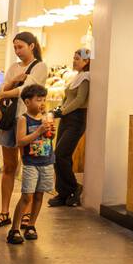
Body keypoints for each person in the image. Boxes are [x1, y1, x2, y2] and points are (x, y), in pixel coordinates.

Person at [0, 32, 47, 228]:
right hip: (9, 120)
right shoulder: (13, 67)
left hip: (30, 121)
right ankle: (4, 212)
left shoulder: (40, 67)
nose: (17, 51)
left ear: (32, 46)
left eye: (20, 47)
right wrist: (11, 83)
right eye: (15, 47)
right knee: (9, 167)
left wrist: (3, 92)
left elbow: (26, 91)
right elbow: (7, 84)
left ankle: (27, 213)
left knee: (29, 168)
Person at [8, 85, 56, 244]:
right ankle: (14, 229)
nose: (42, 103)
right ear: (27, 102)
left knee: (39, 195)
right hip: (31, 163)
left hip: (47, 161)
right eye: (38, 100)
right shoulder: (23, 119)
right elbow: (20, 141)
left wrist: (51, 133)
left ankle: (31, 225)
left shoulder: (45, 118)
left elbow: (48, 139)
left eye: (44, 99)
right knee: (27, 196)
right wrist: (38, 131)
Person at [50, 48, 91, 207]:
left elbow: (80, 100)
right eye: (73, 58)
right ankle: (63, 193)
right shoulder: (76, 77)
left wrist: (62, 112)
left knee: (61, 154)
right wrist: (57, 111)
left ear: (86, 61)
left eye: (77, 59)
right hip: (66, 119)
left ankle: (74, 187)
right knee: (57, 156)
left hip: (76, 120)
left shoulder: (86, 78)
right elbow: (67, 99)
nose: (74, 61)